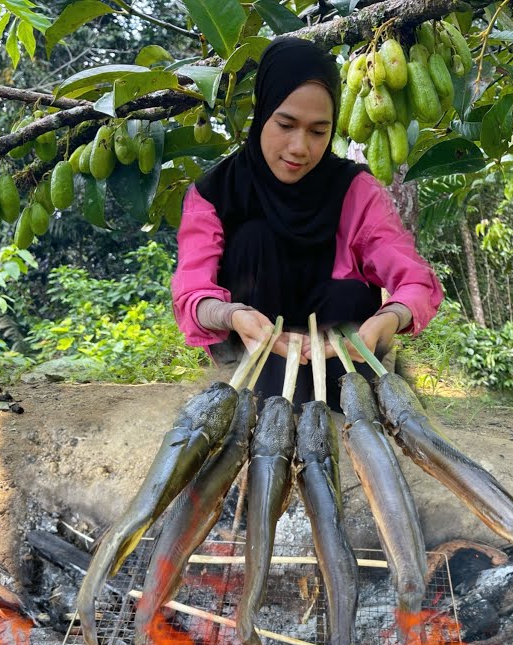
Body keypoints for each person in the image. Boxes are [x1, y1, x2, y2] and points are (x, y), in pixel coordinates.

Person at [171, 37, 443, 406]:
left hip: (343, 362)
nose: (301, 147)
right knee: (253, 237)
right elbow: (191, 293)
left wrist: (391, 317)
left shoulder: (355, 189)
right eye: (285, 124)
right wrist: (232, 314)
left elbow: (415, 280)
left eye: (318, 132)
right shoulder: (213, 194)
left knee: (346, 290)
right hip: (256, 359)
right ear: (262, 111)